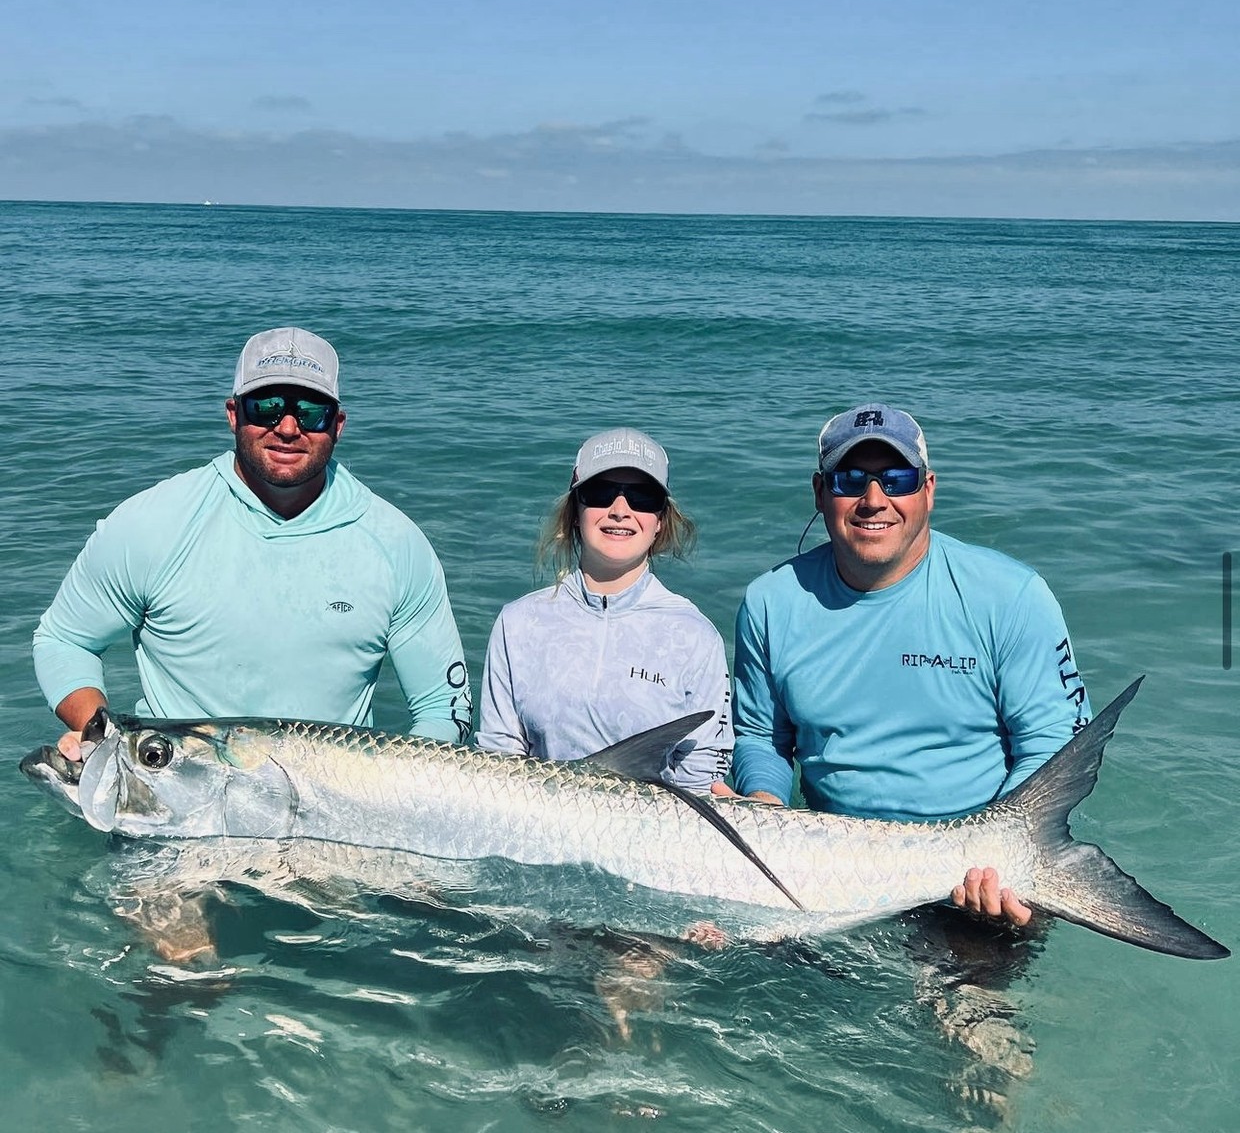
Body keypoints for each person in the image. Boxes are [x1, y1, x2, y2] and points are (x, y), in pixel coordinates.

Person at [726, 402, 1090, 926]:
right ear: (819, 491)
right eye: (851, 479)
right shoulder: (769, 601)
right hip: (826, 867)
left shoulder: (1013, 596)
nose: (875, 500)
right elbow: (762, 738)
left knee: (968, 1004)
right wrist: (763, 804)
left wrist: (996, 853)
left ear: (929, 489)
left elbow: (1055, 741)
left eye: (897, 479)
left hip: (980, 877)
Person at [34, 327, 471, 758]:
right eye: (266, 407)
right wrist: (104, 738)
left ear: (337, 425)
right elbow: (64, 640)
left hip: (334, 817)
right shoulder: (152, 524)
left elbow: (443, 706)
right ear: (233, 414)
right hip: (174, 809)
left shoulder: (397, 544)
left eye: (310, 411)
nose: (286, 427)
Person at [475, 426, 732, 792]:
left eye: (642, 497)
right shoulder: (517, 623)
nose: (620, 511)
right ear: (575, 510)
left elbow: (700, 777)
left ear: (660, 521)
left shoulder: (695, 636)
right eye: (602, 492)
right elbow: (499, 758)